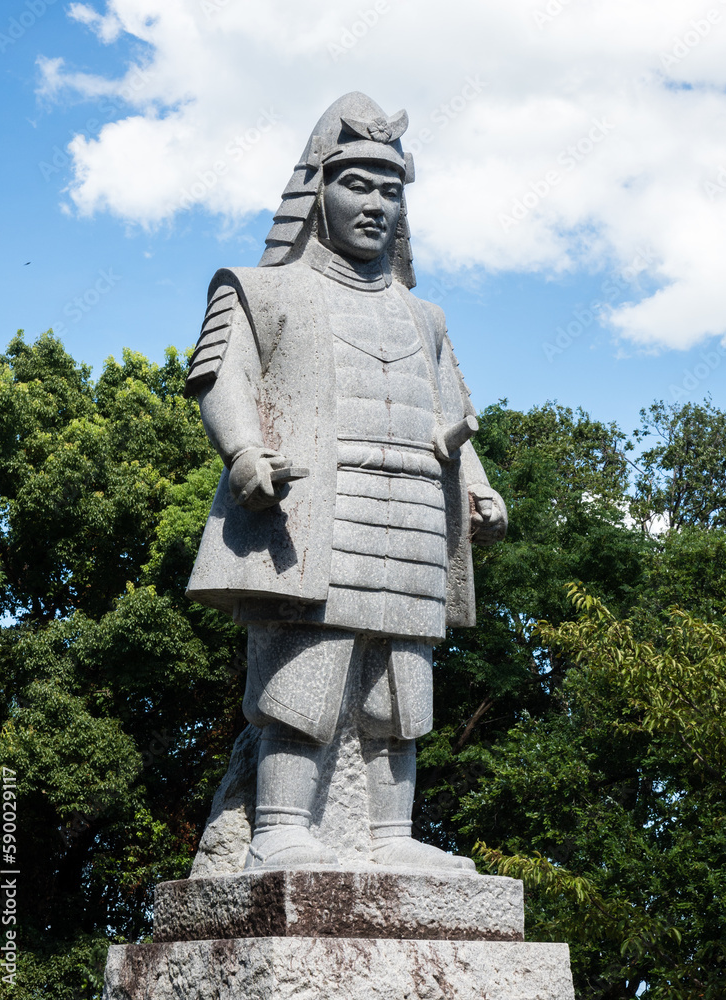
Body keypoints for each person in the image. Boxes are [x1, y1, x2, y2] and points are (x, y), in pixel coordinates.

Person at [184, 93, 507, 871]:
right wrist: (245, 454)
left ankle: (391, 837)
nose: (375, 204)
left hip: (412, 519)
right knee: (304, 677)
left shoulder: (425, 317)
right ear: (316, 192)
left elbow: (451, 412)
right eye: (357, 185)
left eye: (390, 191)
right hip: (312, 517)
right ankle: (279, 828)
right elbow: (222, 380)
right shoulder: (260, 290)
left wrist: (480, 490)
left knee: (402, 692)